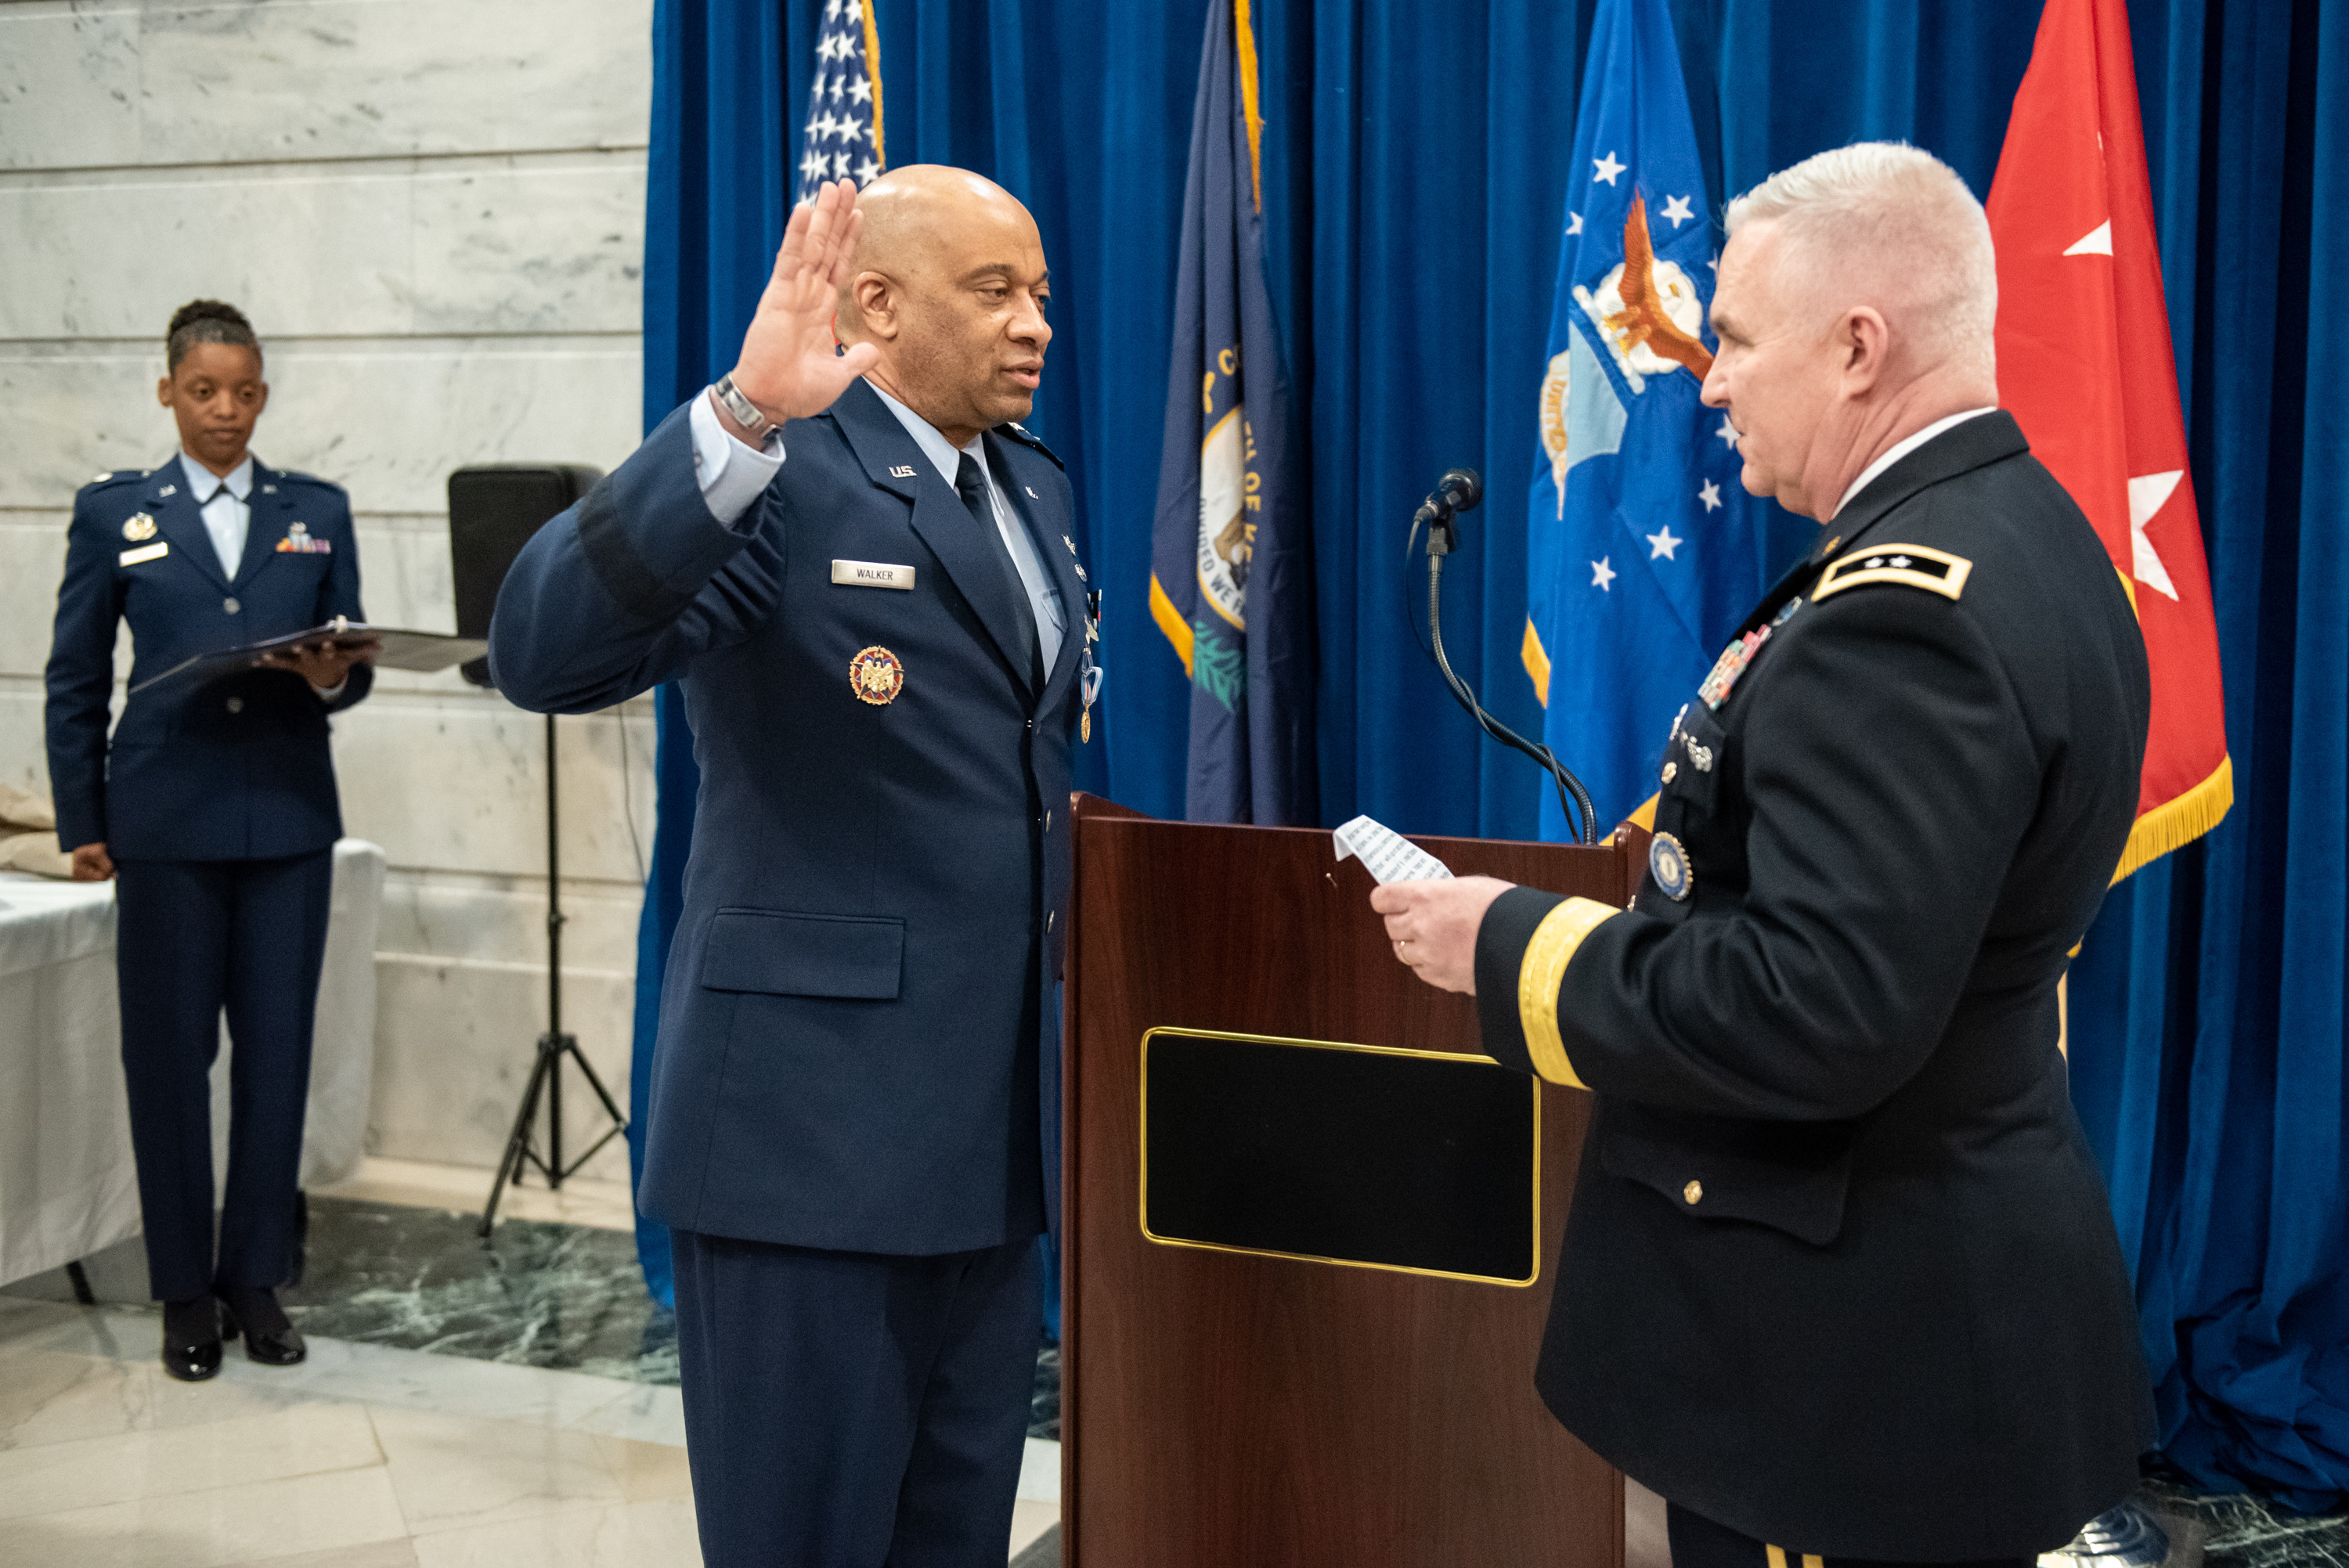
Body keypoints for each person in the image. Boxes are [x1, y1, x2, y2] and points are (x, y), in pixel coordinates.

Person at [1373, 143, 2156, 1565]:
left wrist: (1505, 941)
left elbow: (1817, 1007)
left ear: (1860, 347)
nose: (1706, 378)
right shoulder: (2030, 537)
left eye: (1731, 336)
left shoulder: (1898, 613)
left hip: (1846, 1351)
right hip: (1928, 1299)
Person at [489, 170, 1091, 1567]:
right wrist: (742, 417)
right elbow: (538, 648)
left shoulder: (1034, 490)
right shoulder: (777, 473)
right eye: (995, 291)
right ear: (873, 303)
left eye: (1042, 294)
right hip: (810, 1147)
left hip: (995, 1139)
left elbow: (1014, 781)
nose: (1035, 326)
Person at [45, 299, 376, 1382]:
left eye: (243, 392)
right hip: (164, 821)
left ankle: (256, 1281)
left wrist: (337, 674)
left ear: (263, 397)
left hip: (284, 820)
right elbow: (76, 677)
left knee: (277, 1061)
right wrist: (82, 821)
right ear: (168, 392)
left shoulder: (315, 509)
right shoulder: (115, 515)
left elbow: (349, 654)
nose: (225, 410)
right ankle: (185, 1290)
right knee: (168, 1063)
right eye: (204, 391)